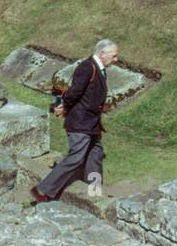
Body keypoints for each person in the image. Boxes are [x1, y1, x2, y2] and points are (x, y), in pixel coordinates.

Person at [32, 38, 118, 203]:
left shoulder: (99, 68)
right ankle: (43, 190)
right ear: (102, 54)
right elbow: (74, 92)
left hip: (91, 122)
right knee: (76, 157)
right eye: (113, 56)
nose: (116, 59)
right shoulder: (87, 67)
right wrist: (63, 106)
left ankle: (94, 188)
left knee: (96, 153)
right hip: (80, 122)